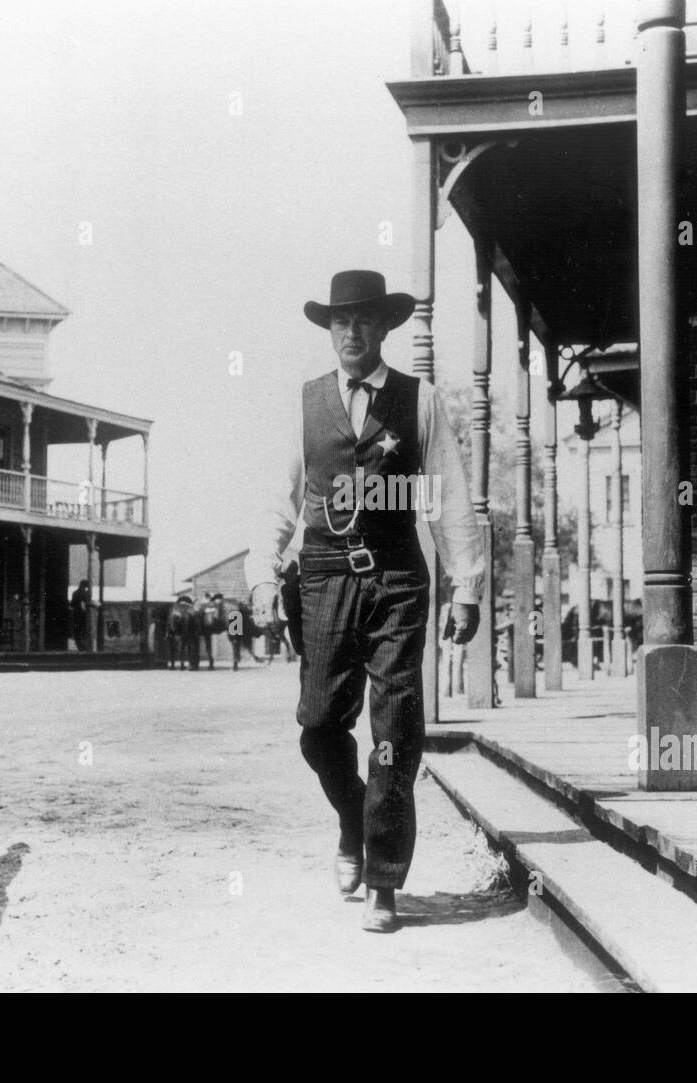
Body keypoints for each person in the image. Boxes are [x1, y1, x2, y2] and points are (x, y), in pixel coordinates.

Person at [246, 270, 484, 933]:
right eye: (341, 322)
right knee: (319, 725)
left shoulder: (420, 399)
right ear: (329, 330)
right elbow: (279, 494)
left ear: (384, 328)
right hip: (323, 575)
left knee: (394, 726)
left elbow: (448, 494)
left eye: (364, 321)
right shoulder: (305, 402)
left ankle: (385, 879)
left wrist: (466, 584)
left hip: (399, 578)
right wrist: (264, 574)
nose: (352, 332)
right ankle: (352, 816)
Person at [70, 579, 92, 651]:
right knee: (84, 630)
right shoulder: (86, 594)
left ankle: (80, 646)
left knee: (77, 631)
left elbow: (72, 604)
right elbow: (87, 604)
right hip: (84, 615)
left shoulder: (75, 593)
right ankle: (84, 646)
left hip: (76, 614)